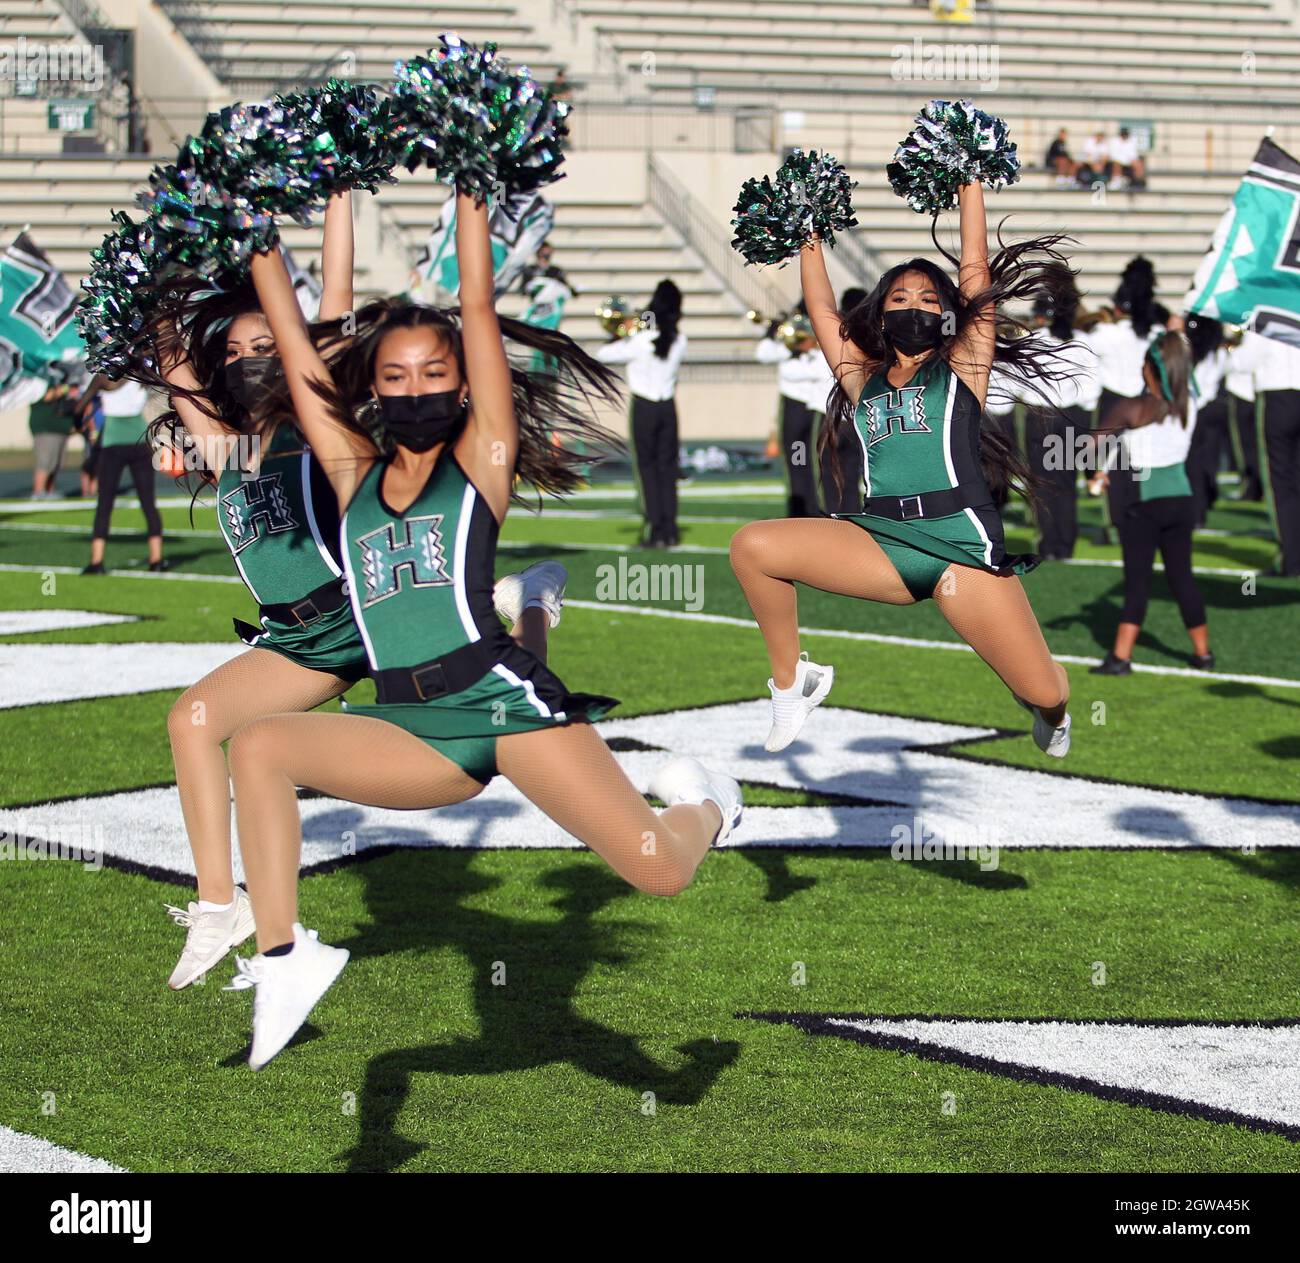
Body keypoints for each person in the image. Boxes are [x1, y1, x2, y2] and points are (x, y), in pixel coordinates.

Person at [226, 193, 741, 1069]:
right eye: (395, 377)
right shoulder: (350, 471)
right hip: (408, 721)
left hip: (499, 702)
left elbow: (474, 301)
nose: (415, 389)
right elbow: (300, 355)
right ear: (371, 390)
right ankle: (284, 956)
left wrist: (474, 184)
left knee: (659, 868)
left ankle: (712, 800)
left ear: (463, 383)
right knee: (257, 744)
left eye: (434, 373)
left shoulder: (481, 460)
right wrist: (258, 228)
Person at [138, 192, 570, 989]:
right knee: (192, 721)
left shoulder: (313, 429)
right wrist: (157, 299)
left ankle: (515, 601)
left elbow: (333, 298)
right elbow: (176, 371)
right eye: (235, 352)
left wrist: (338, 188)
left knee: (490, 727)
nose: (250, 359)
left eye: (265, 344)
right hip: (289, 634)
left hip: (353, 617)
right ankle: (220, 903)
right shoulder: (228, 449)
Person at [729, 179, 1074, 760]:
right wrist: (808, 230)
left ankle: (1053, 707)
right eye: (899, 298)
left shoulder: (963, 365)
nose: (914, 306)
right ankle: (792, 684)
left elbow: (975, 271)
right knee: (752, 547)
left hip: (959, 543)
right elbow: (821, 309)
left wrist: (969, 179)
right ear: (880, 312)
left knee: (1042, 690)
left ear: (948, 314)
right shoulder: (860, 376)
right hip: (882, 537)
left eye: (928, 299)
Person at [1087, 331, 1211, 671]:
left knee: (1138, 582)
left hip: (1144, 503)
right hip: (1181, 499)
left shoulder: (1133, 407)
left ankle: (1120, 657)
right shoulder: (1190, 402)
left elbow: (1086, 446)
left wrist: (1093, 473)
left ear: (1150, 369)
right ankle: (1203, 653)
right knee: (1182, 578)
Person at [1011, 283, 1100, 559]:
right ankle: (1065, 543)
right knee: (1066, 483)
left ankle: (1049, 543)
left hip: (1041, 417)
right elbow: (1091, 391)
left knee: (1042, 484)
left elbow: (1018, 385)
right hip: (1070, 416)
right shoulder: (1082, 341)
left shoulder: (1030, 340)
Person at [596, 279, 686, 548]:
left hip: (645, 408)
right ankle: (670, 529)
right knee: (667, 469)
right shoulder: (680, 340)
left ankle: (654, 529)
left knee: (646, 469)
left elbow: (602, 354)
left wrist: (621, 333)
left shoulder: (638, 340)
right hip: (668, 408)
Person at [1227, 328, 1300, 575]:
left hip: (1276, 397)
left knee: (1280, 480)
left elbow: (1243, 361)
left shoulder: (1268, 321)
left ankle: (1291, 559)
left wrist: (1231, 349)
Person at [79, 374, 163, 573]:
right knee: (148, 502)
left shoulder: (102, 378)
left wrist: (76, 420)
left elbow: (80, 407)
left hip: (113, 442)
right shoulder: (141, 375)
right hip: (139, 442)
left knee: (104, 503)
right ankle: (156, 559)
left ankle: (97, 561)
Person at [754, 304, 827, 517]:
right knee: (800, 460)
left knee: (804, 462)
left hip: (803, 410)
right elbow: (763, 354)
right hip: (805, 409)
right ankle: (804, 508)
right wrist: (777, 337)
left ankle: (807, 510)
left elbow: (771, 358)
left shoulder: (815, 349)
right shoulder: (790, 347)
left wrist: (794, 347)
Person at [818, 287, 868, 515]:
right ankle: (855, 520)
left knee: (831, 476)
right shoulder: (874, 336)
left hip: (834, 417)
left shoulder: (832, 337)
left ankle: (835, 523)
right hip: (862, 417)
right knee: (855, 473)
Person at [1181, 315, 1229, 525]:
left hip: (1195, 408)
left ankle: (1197, 509)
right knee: (1208, 459)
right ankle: (1207, 500)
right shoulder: (1218, 352)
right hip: (1212, 407)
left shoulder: (1188, 351)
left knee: (1193, 463)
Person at [1224, 331, 1263, 501]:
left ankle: (1252, 486)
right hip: (1257, 392)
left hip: (1246, 391)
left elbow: (1240, 362)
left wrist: (1230, 348)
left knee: (1245, 445)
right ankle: (1254, 484)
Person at [28, 382, 79, 499]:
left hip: (60, 432)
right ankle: (38, 491)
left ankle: (49, 490)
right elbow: (47, 396)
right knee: (45, 462)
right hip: (46, 431)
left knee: (55, 464)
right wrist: (63, 390)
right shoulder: (41, 384)